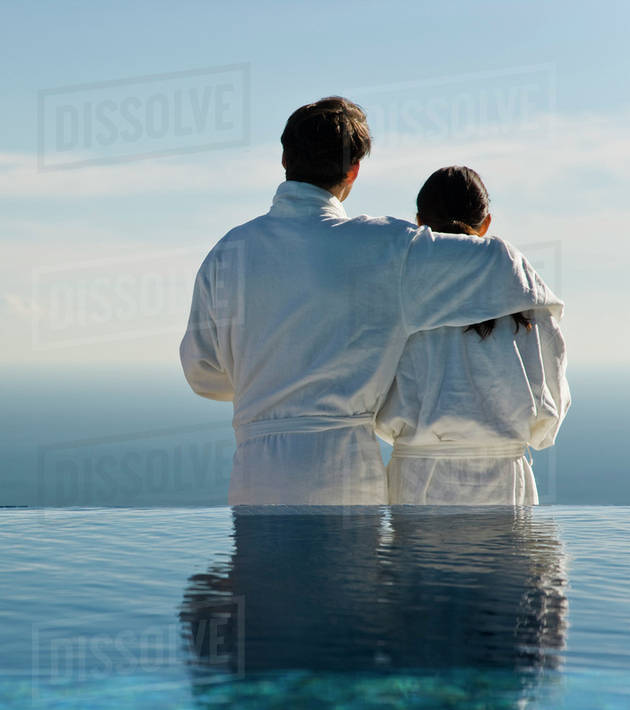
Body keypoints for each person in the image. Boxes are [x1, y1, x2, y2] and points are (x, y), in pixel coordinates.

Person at [179, 96, 562, 505]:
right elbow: (495, 262)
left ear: (285, 159)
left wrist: (270, 381)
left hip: (255, 475)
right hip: (342, 473)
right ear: (354, 170)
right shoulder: (384, 247)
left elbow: (203, 373)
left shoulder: (227, 253)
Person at [375, 167, 570, 505]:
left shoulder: (396, 288)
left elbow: (372, 383)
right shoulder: (524, 290)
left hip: (418, 476)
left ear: (420, 222)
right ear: (486, 222)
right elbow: (551, 393)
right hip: (504, 479)